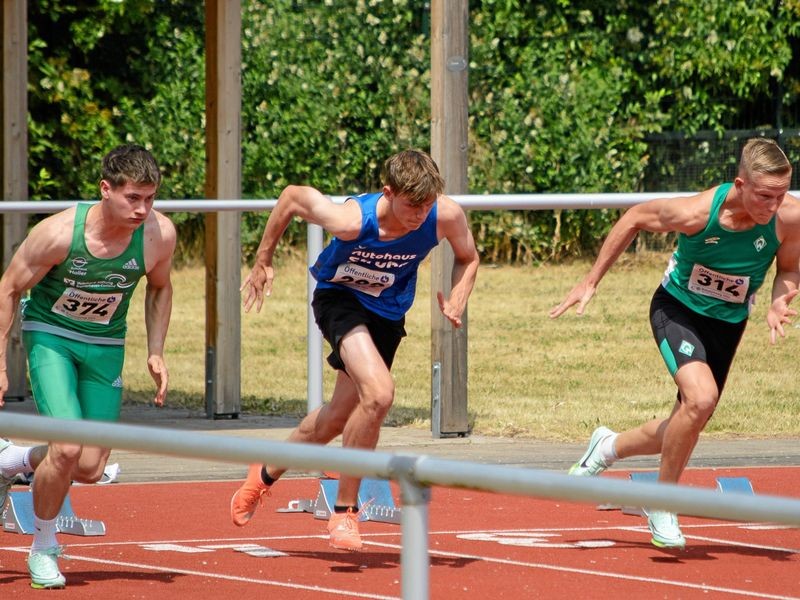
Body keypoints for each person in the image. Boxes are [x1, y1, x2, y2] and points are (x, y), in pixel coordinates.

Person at [549, 137, 800, 549]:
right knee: (700, 400)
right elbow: (633, 218)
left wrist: (778, 301)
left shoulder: (789, 217)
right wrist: (590, 280)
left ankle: (608, 446)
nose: (772, 205)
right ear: (740, 184)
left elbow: (789, 269)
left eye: (781, 194)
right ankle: (663, 502)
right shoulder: (697, 212)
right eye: (764, 195)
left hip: (727, 323)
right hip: (677, 310)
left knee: (688, 419)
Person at [230, 149, 479, 550]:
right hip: (340, 301)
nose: (420, 215)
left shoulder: (445, 215)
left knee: (335, 418)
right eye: (412, 206)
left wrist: (457, 297)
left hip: (387, 315)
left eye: (427, 205)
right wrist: (263, 259)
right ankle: (345, 511)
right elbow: (292, 196)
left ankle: (263, 473)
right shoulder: (350, 220)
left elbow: (468, 258)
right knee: (379, 394)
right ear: (388, 192)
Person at [0, 144, 176, 588]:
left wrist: (156, 349)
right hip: (52, 336)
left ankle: (12, 460)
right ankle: (43, 548)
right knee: (66, 447)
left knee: (90, 466)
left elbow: (160, 288)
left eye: (150, 198)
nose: (142, 209)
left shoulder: (159, 235)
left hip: (105, 344)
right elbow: (8, 289)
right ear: (105, 189)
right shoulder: (58, 234)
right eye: (132, 198)